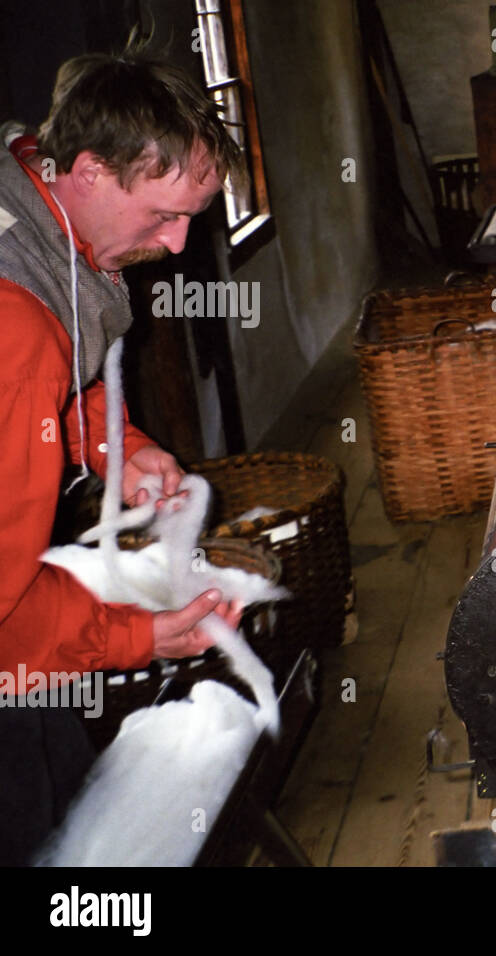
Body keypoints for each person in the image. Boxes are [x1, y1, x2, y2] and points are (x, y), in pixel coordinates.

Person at [0, 51, 246, 863]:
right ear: (89, 173)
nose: (176, 247)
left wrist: (121, 450)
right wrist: (141, 639)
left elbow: (59, 388)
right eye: (160, 217)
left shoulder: (27, 185)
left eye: (192, 217)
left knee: (65, 782)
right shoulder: (16, 330)